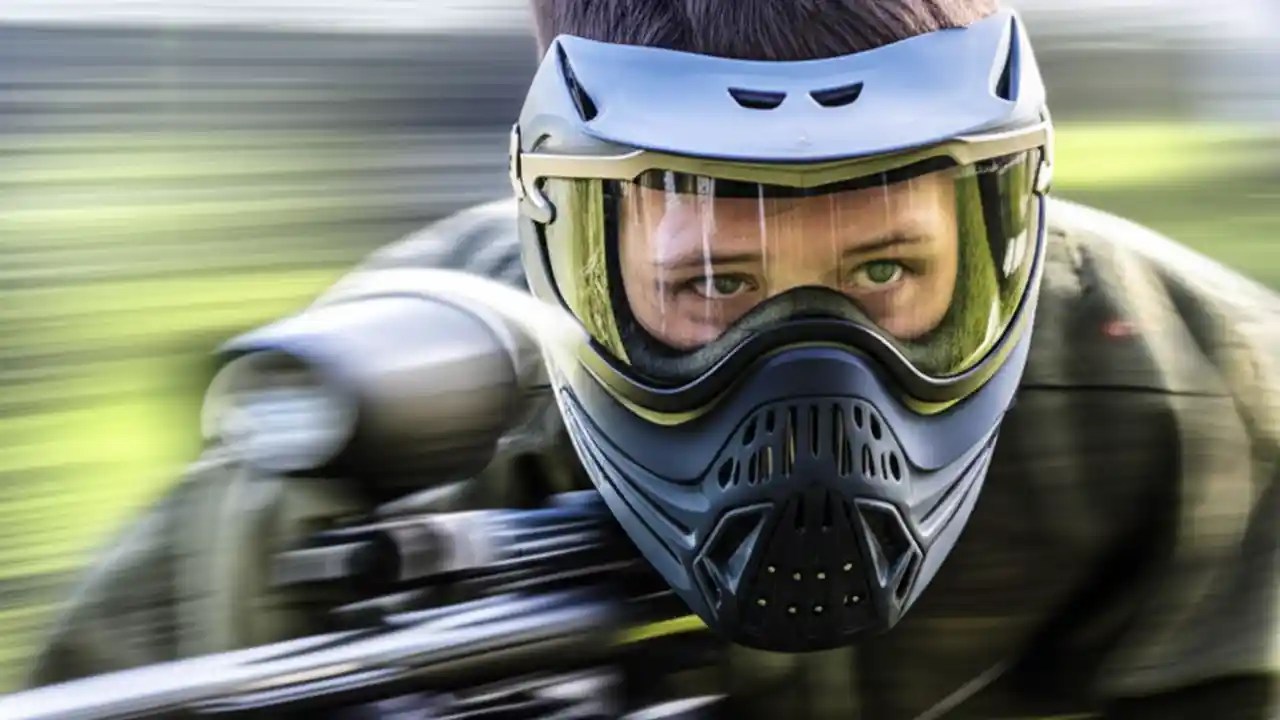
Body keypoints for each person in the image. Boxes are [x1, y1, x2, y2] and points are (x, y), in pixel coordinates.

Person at [26, 1, 1279, 718]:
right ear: (566, 249)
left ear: (1006, 228)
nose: (811, 392)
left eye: (885, 273)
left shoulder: (1189, 391)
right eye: (712, 283)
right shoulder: (376, 458)